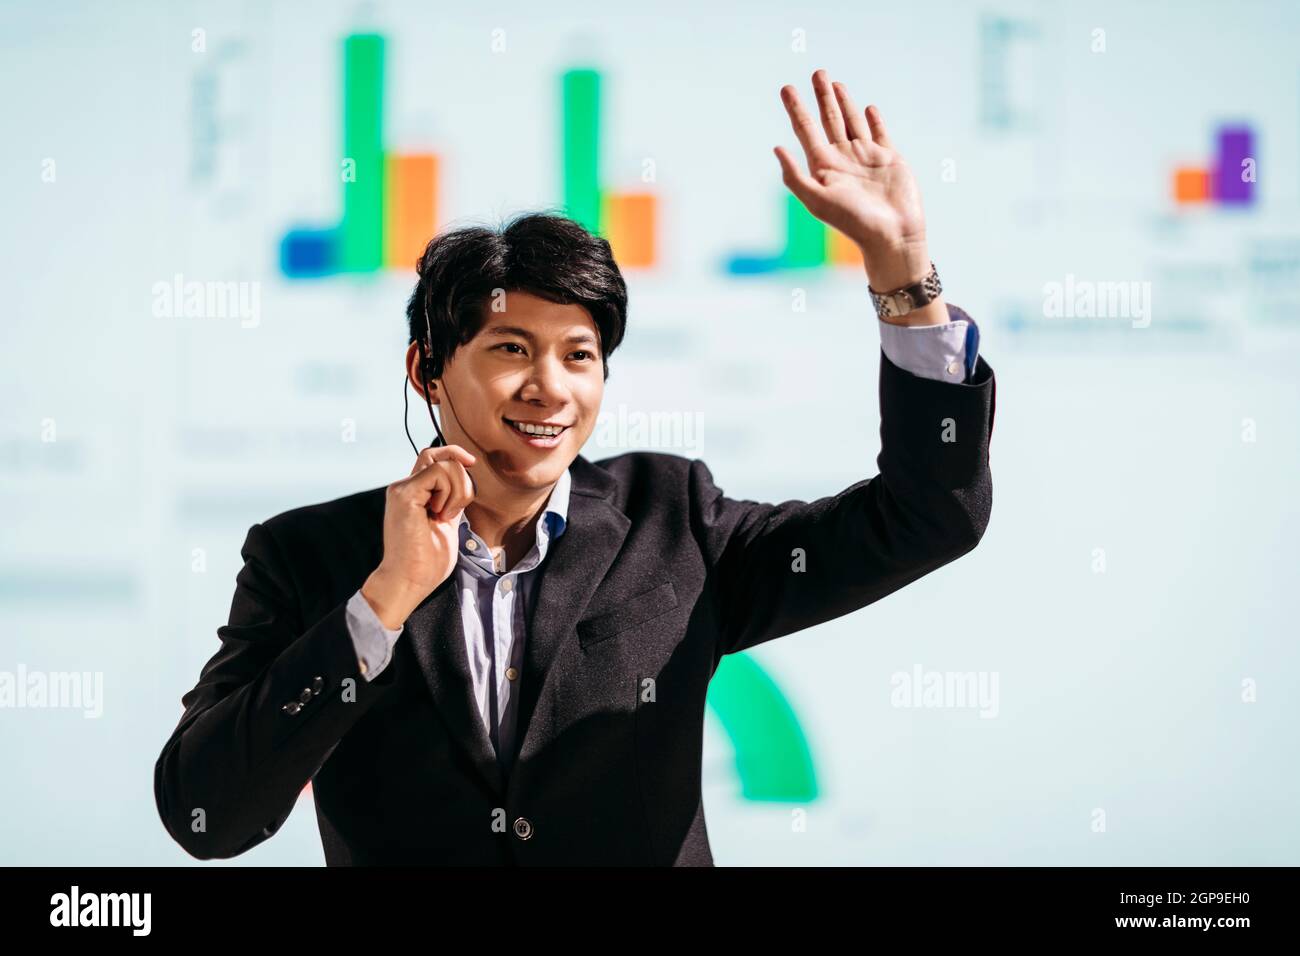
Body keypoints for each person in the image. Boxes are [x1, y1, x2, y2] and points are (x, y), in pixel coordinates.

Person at [154, 70, 996, 865]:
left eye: (579, 354)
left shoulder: (676, 521)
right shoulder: (312, 556)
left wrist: (901, 269)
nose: (549, 388)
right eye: (511, 350)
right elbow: (205, 812)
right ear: (427, 371)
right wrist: (381, 605)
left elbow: (928, 516)